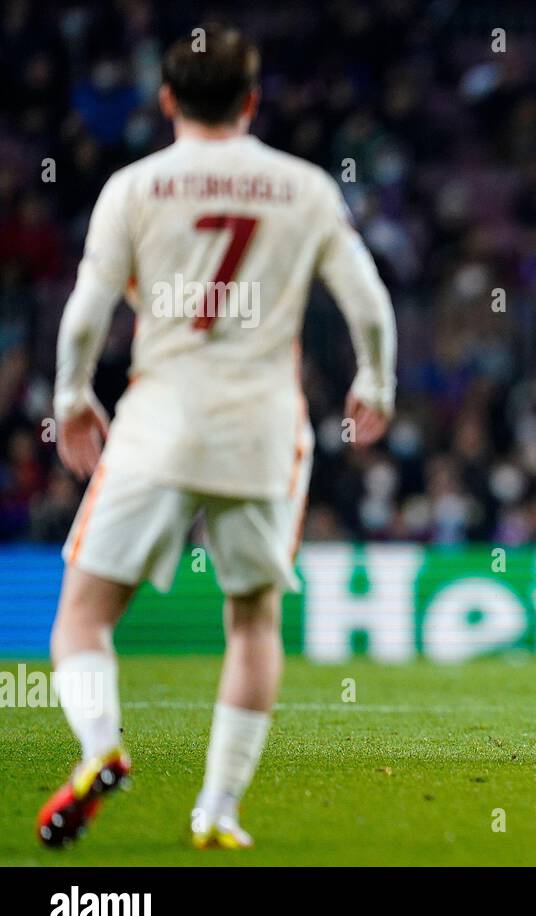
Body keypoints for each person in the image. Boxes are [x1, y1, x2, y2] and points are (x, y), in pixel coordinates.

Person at [37, 23, 396, 848]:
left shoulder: (133, 187)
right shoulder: (302, 186)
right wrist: (374, 381)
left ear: (166, 100)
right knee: (253, 620)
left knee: (84, 617)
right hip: (264, 429)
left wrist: (72, 394)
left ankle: (100, 748)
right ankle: (219, 810)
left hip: (159, 419)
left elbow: (87, 307)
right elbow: (367, 295)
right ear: (252, 101)